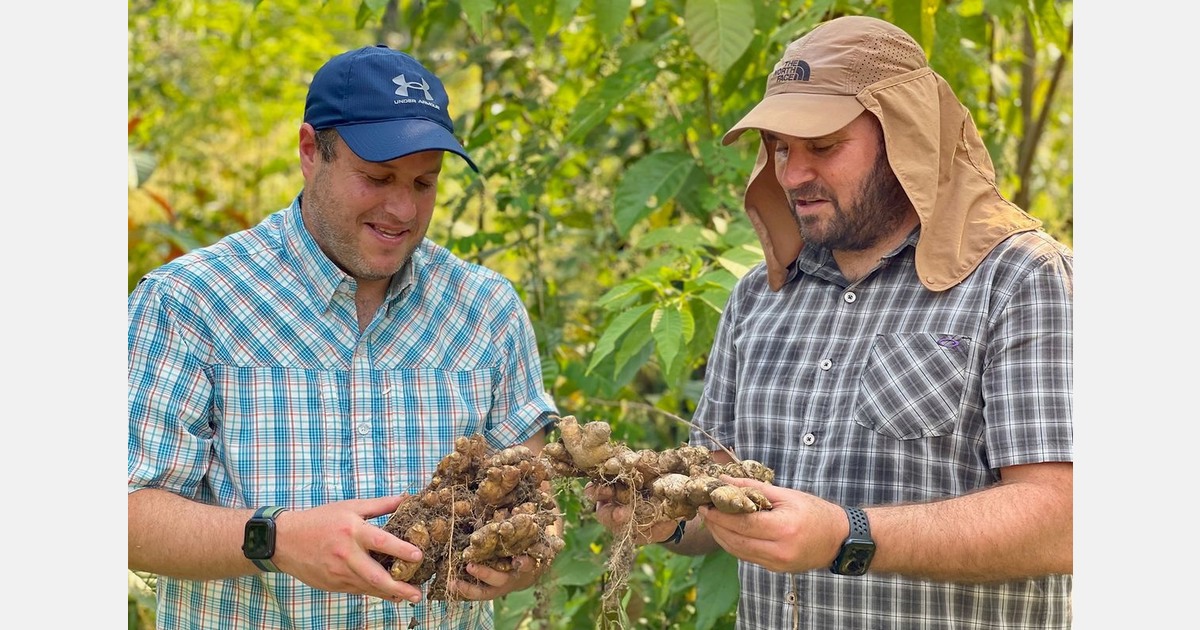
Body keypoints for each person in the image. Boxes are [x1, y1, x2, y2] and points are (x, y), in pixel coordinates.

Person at [590, 15, 1073, 629]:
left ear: (910, 138)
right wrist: (666, 517)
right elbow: (716, 506)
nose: (793, 174)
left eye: (824, 146)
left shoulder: (1019, 279)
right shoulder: (759, 298)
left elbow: (1065, 520)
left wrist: (849, 536)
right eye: (783, 148)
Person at [128, 45, 559, 629]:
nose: (402, 207)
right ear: (311, 151)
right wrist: (274, 539)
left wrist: (521, 557)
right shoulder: (192, 302)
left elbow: (536, 502)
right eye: (377, 178)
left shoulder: (484, 310)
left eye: (424, 182)